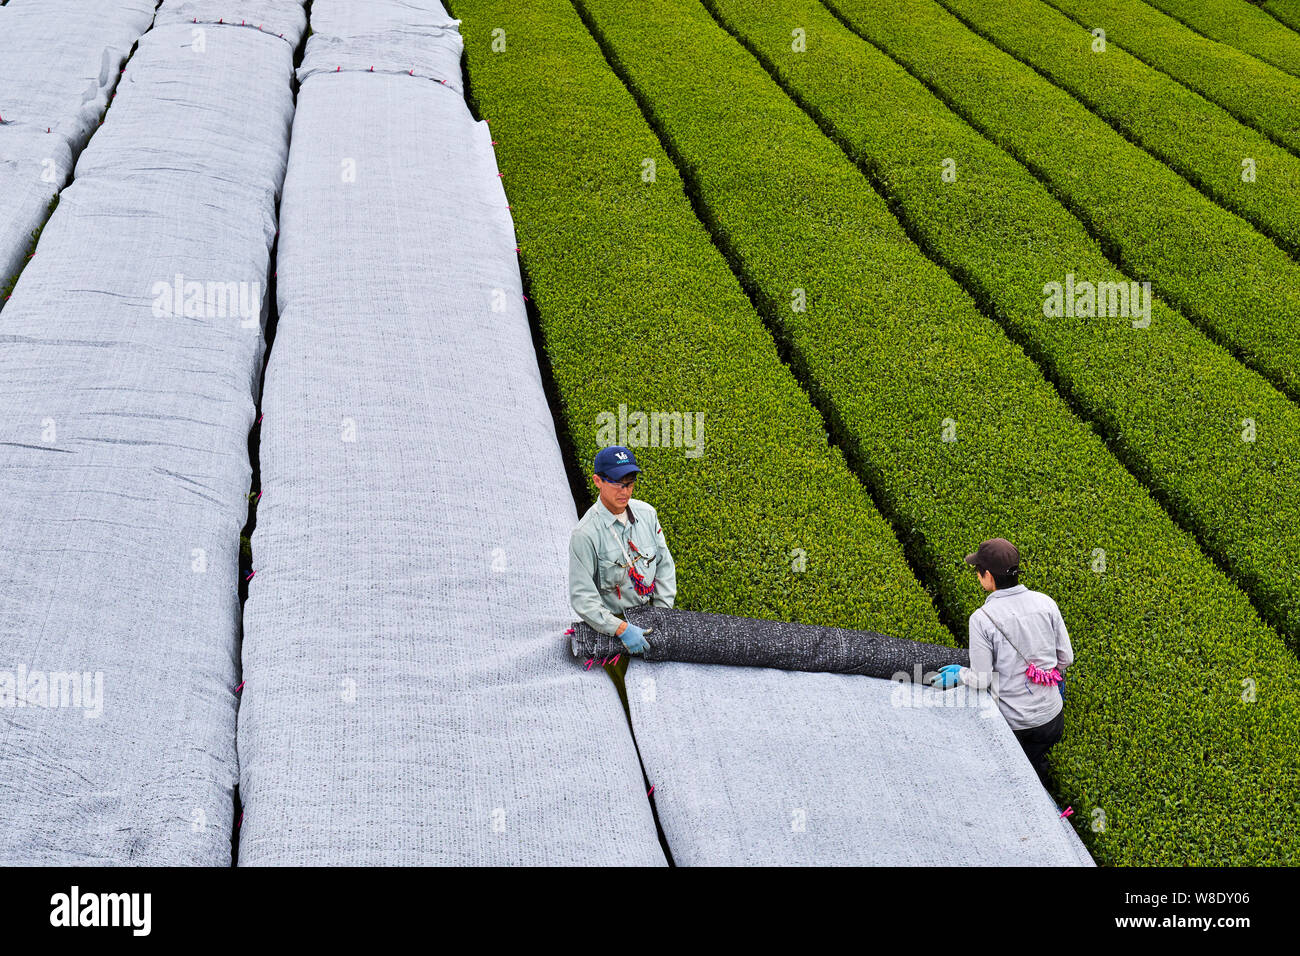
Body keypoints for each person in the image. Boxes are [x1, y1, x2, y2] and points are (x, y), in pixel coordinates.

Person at [931, 538, 1073, 790]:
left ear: (987, 576)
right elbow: (1066, 658)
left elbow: (981, 679)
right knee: (1037, 764)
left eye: (978, 571)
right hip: (1052, 719)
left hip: (1015, 725)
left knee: (1014, 781)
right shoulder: (1046, 602)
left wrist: (961, 673)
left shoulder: (982, 619)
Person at [568, 446, 677, 682]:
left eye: (629, 483)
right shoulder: (585, 535)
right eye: (617, 483)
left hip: (650, 617)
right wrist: (621, 629)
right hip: (611, 630)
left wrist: (662, 615)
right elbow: (582, 597)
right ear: (598, 481)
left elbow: (664, 566)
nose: (625, 491)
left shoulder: (647, 514)